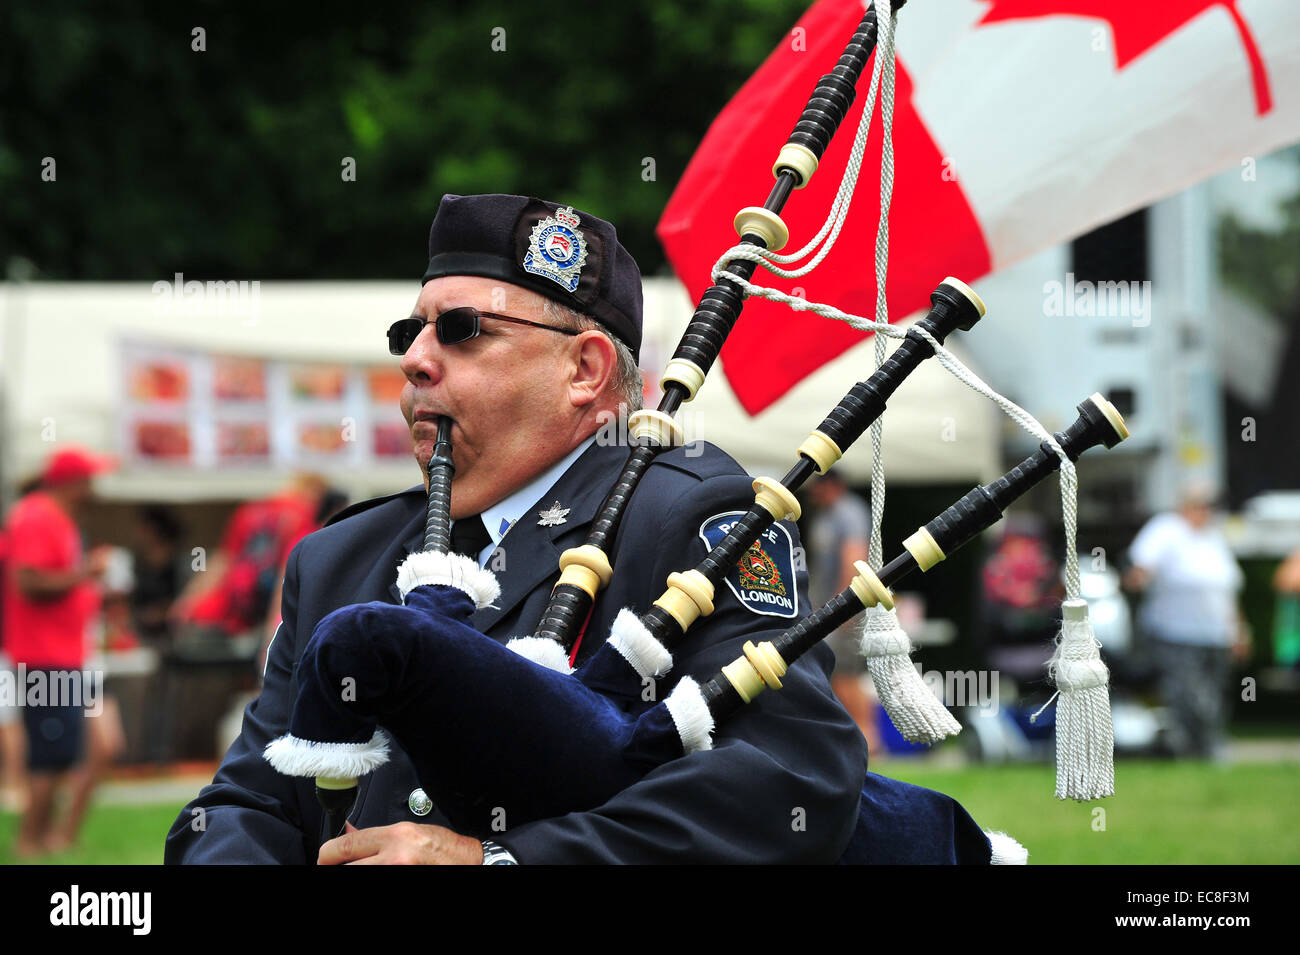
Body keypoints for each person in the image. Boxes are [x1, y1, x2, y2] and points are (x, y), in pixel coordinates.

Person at [165, 193, 863, 864]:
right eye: (411, 332)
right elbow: (247, 803)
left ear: (583, 369)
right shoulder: (337, 558)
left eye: (463, 330)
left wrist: (500, 860)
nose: (414, 359)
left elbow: (788, 783)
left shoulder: (685, 518)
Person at [1, 446, 114, 855]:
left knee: (82, 749)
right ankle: (29, 842)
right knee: (51, 756)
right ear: (71, 483)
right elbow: (27, 582)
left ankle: (53, 838)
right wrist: (87, 573)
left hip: (69, 654)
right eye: (88, 480)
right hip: (44, 657)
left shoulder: (58, 519)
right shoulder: (35, 516)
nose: (94, 488)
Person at [1124, 481, 1248, 759]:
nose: (1206, 511)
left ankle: (1206, 749)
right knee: (1189, 695)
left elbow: (1227, 589)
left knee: (1213, 696)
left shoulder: (1213, 538)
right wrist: (1138, 577)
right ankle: (1198, 751)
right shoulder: (1165, 529)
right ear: (1185, 505)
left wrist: (1239, 631)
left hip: (1216, 634)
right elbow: (1142, 566)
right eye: (1201, 505)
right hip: (1176, 632)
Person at [806, 472, 879, 752]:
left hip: (845, 609)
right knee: (835, 673)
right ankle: (854, 740)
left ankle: (868, 740)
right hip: (829, 609)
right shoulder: (827, 516)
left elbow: (855, 557)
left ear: (832, 485)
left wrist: (846, 606)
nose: (813, 494)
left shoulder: (849, 512)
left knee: (846, 673)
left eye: (817, 487)